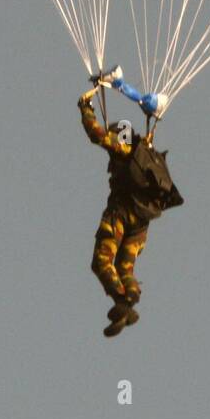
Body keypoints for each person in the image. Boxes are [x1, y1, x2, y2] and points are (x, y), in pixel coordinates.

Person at [78, 72, 183, 338]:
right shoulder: (145, 149)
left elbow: (97, 135)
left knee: (102, 261)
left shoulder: (124, 148)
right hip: (141, 223)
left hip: (121, 216)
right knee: (125, 267)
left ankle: (123, 302)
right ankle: (129, 301)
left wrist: (85, 107)